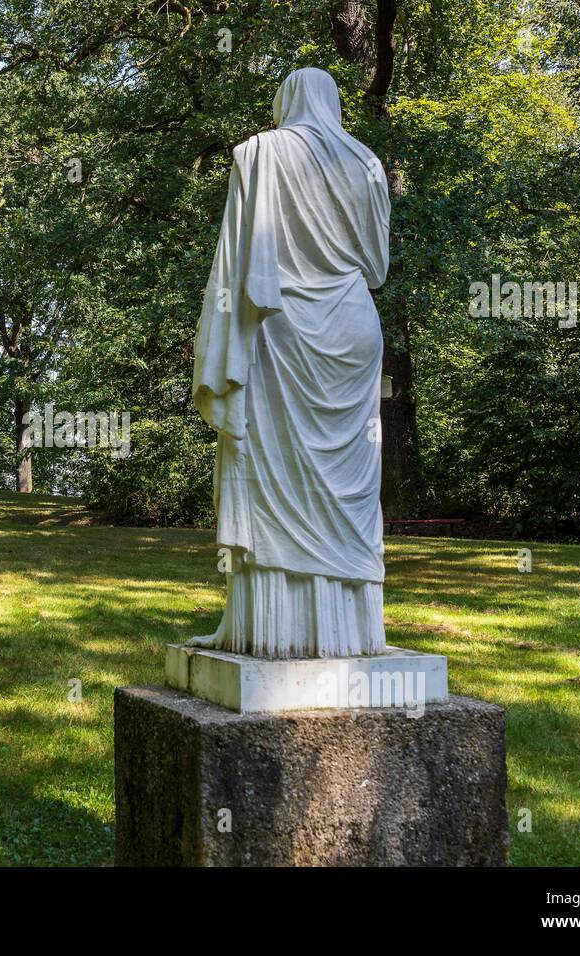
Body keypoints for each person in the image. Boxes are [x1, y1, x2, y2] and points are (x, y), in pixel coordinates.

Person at [190, 67, 392, 659]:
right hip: (352, 329)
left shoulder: (259, 152)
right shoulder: (368, 163)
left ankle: (270, 631)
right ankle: (350, 634)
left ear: (286, 102)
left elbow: (237, 260)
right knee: (350, 487)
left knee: (273, 476)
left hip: (281, 328)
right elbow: (376, 268)